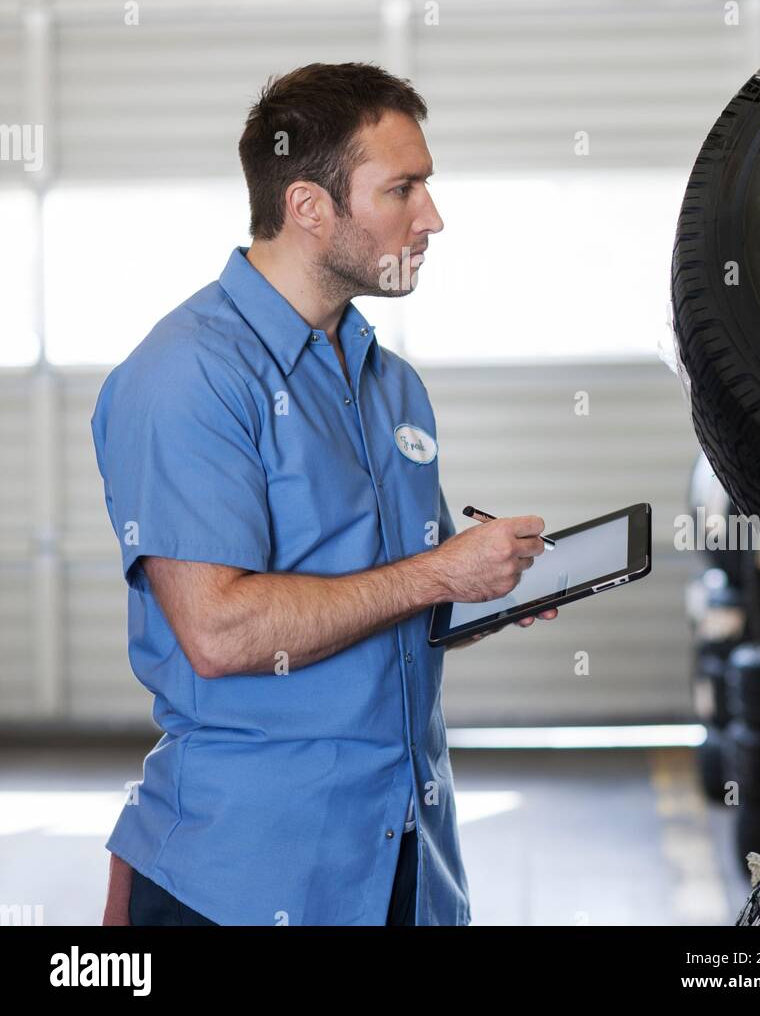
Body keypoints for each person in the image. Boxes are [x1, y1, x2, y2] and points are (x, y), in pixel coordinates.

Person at [93, 62, 557, 927]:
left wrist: (485, 585)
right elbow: (221, 631)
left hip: (406, 865)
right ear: (310, 207)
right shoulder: (187, 376)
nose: (433, 218)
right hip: (245, 880)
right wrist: (436, 576)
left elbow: (382, 601)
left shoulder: (391, 383)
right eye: (403, 189)